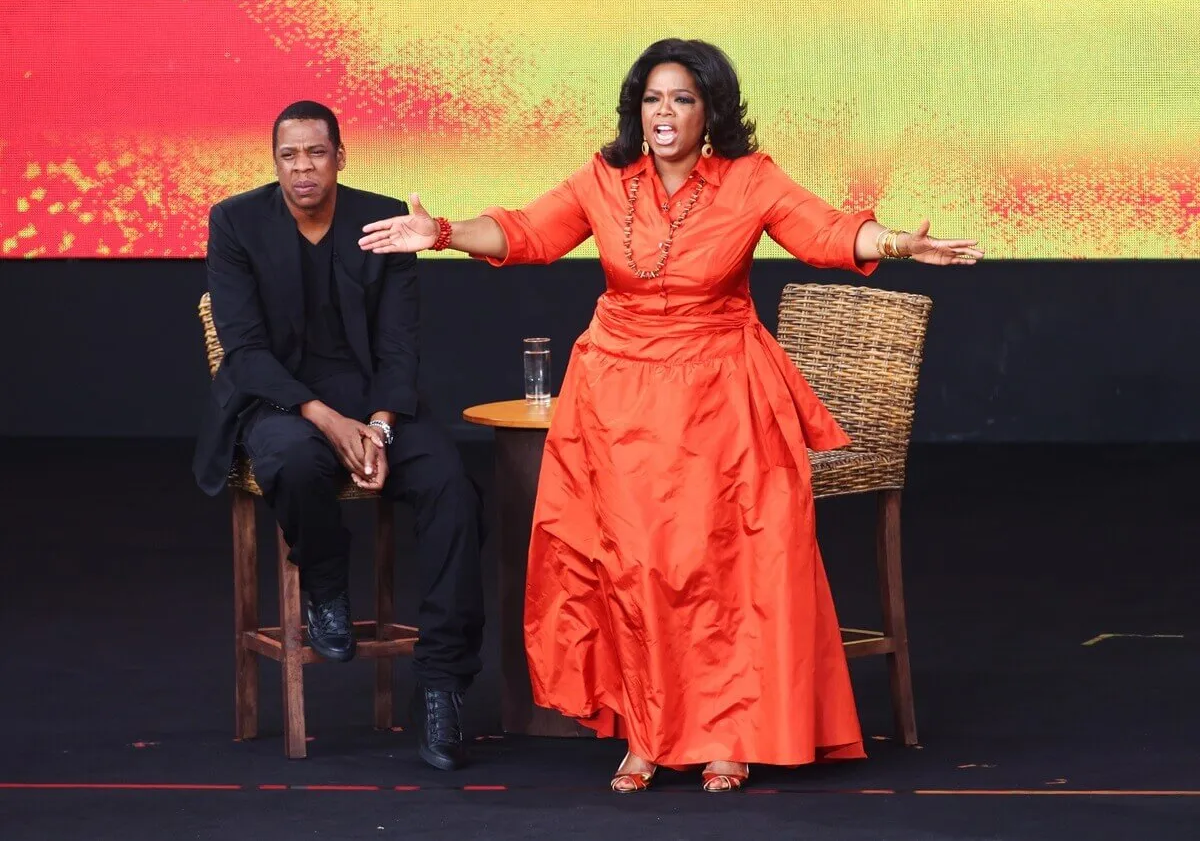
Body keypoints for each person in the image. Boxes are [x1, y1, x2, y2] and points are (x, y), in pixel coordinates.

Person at [359, 39, 983, 792]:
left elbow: (824, 233)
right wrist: (447, 233)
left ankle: (728, 732)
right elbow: (528, 232)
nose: (665, 113)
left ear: (710, 111)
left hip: (722, 394)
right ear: (637, 109)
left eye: (682, 99)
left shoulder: (751, 180)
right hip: (617, 397)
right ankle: (646, 733)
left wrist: (896, 242)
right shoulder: (603, 178)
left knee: (720, 565)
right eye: (653, 98)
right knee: (636, 566)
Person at [192, 100, 484, 771]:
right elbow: (244, 349)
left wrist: (378, 427)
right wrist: (325, 418)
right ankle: (326, 583)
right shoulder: (236, 222)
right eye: (289, 156)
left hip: (377, 408)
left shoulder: (378, 222)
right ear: (275, 163)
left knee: (452, 487)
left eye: (315, 153)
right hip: (280, 406)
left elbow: (400, 347)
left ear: (340, 157)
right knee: (291, 461)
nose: (302, 168)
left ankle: (441, 683)